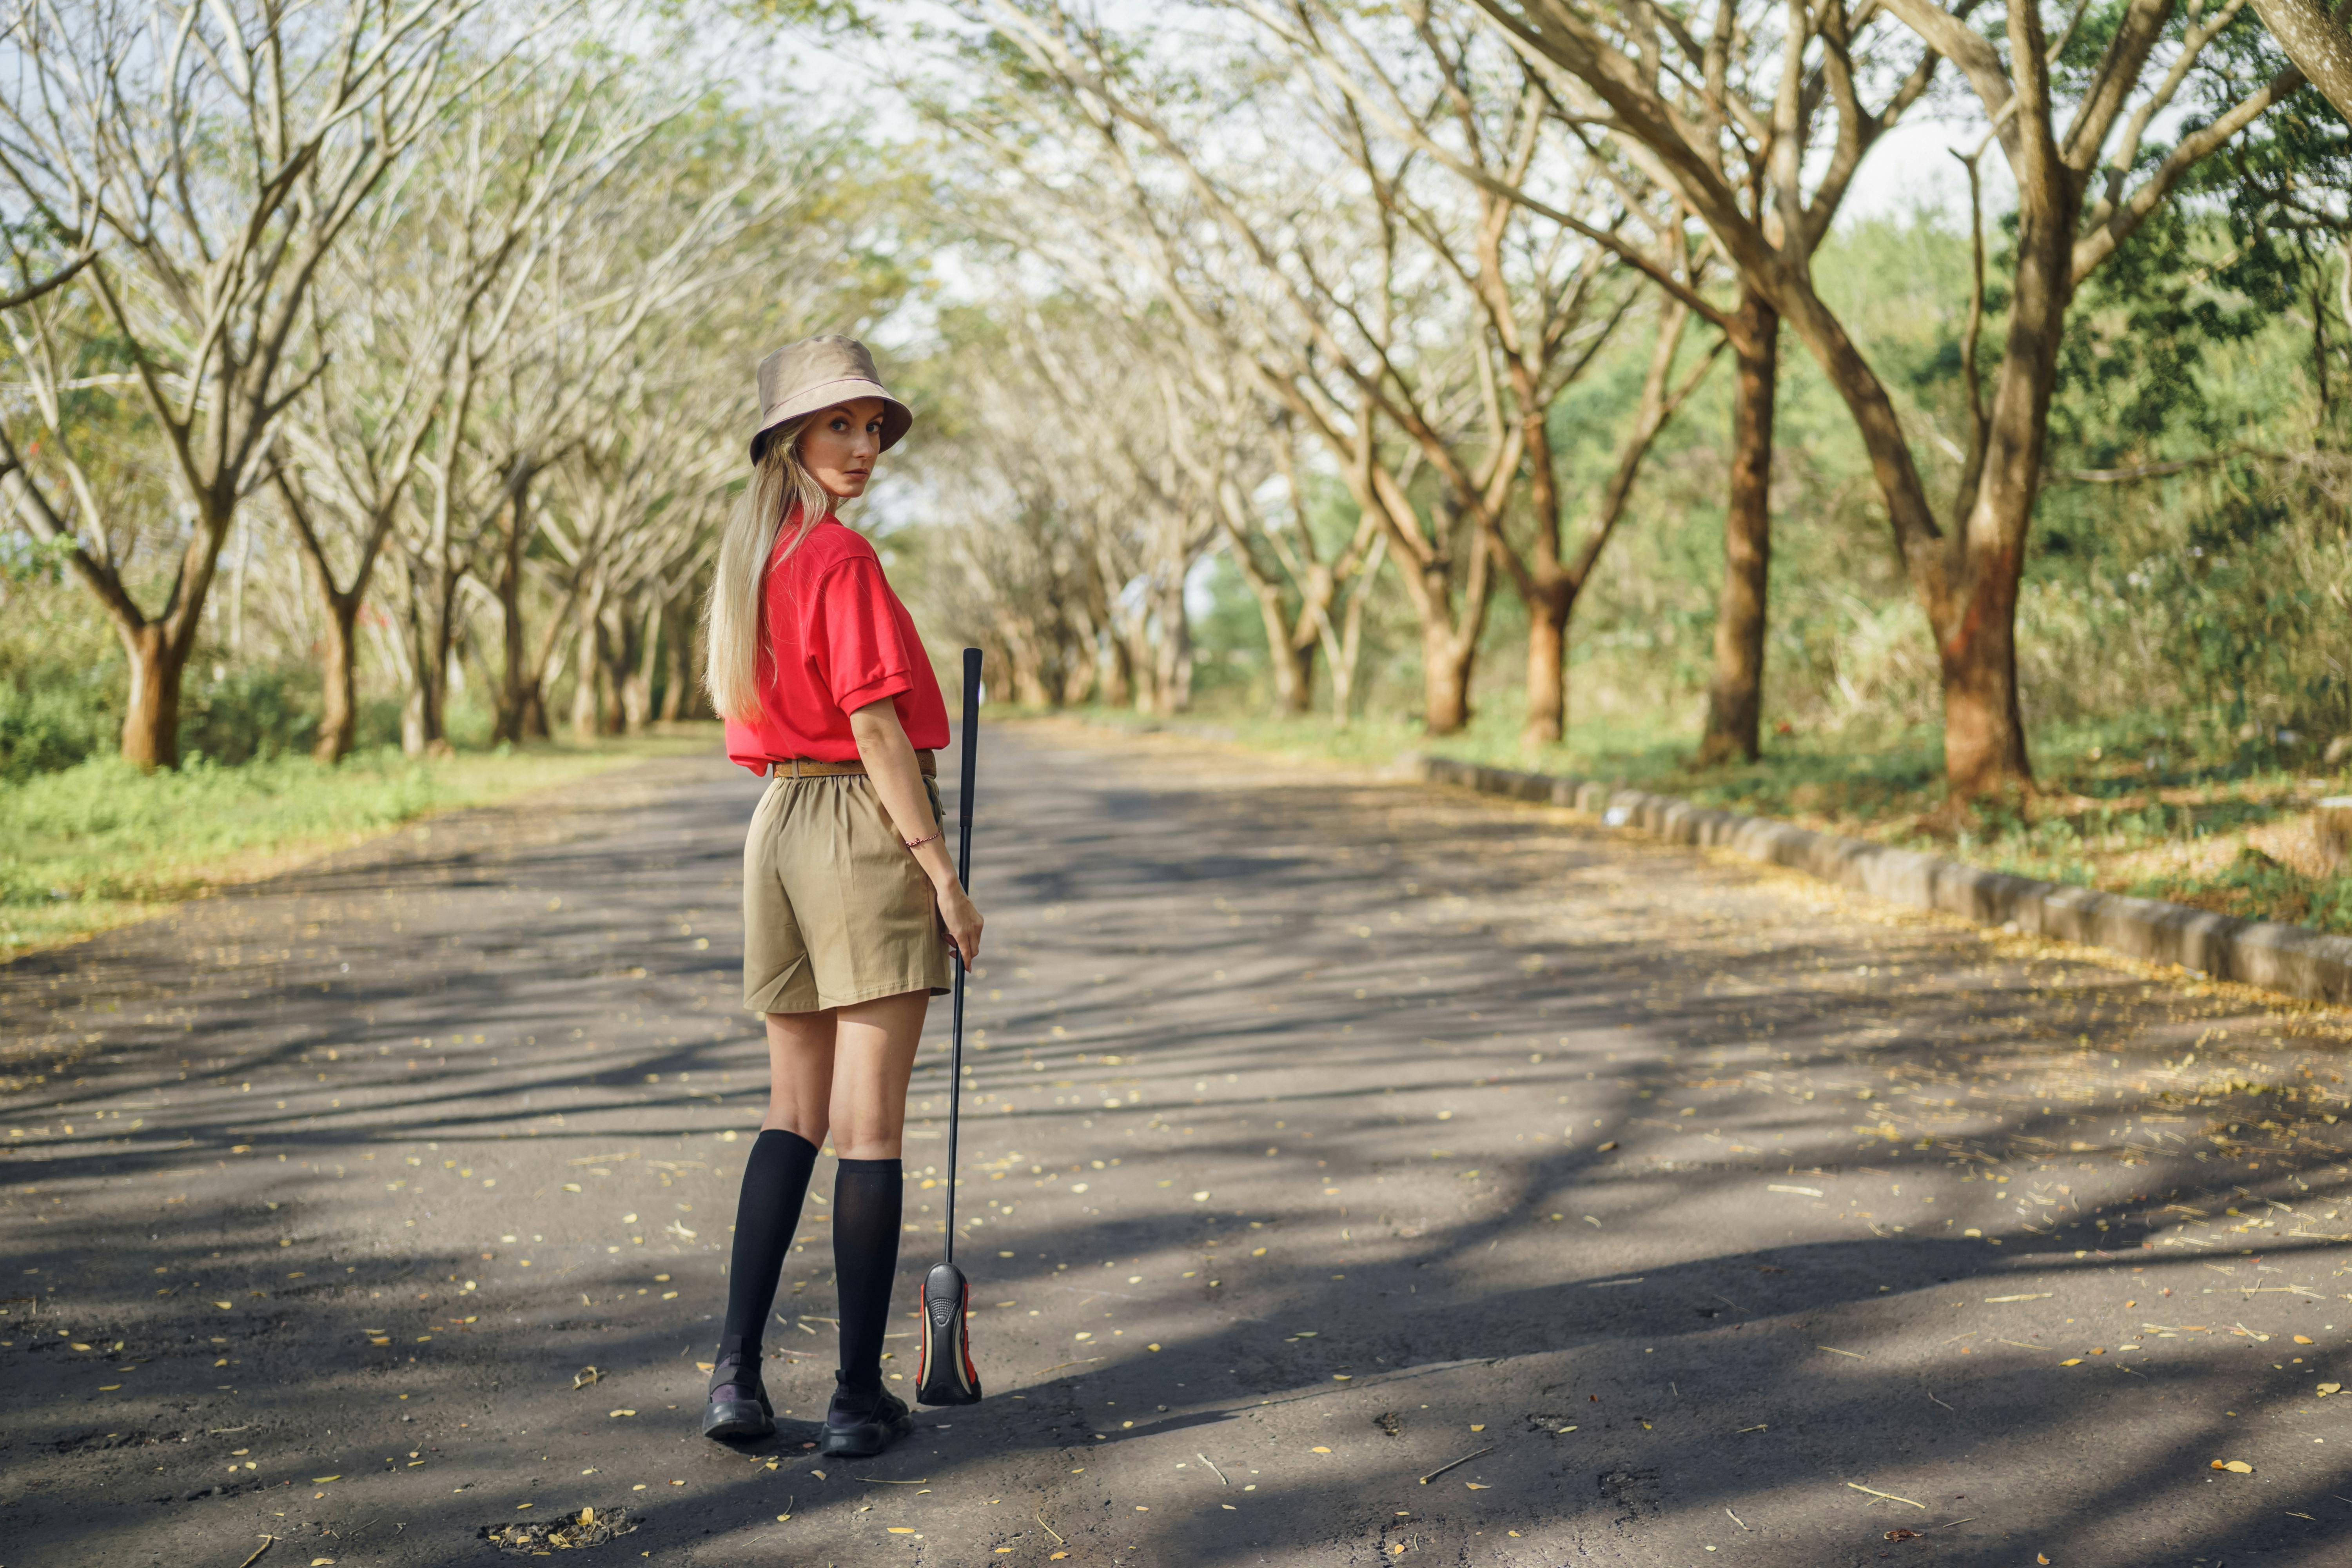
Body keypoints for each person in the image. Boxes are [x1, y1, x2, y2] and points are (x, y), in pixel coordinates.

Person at [695, 335, 983, 1459]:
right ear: (789, 440)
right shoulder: (839, 559)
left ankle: (735, 1378)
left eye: (871, 428)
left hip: (776, 827)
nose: (863, 448)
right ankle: (858, 1401)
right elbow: (874, 727)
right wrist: (943, 876)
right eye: (839, 427)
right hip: (861, 831)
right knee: (865, 1128)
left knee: (793, 1114)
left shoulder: (752, 562)